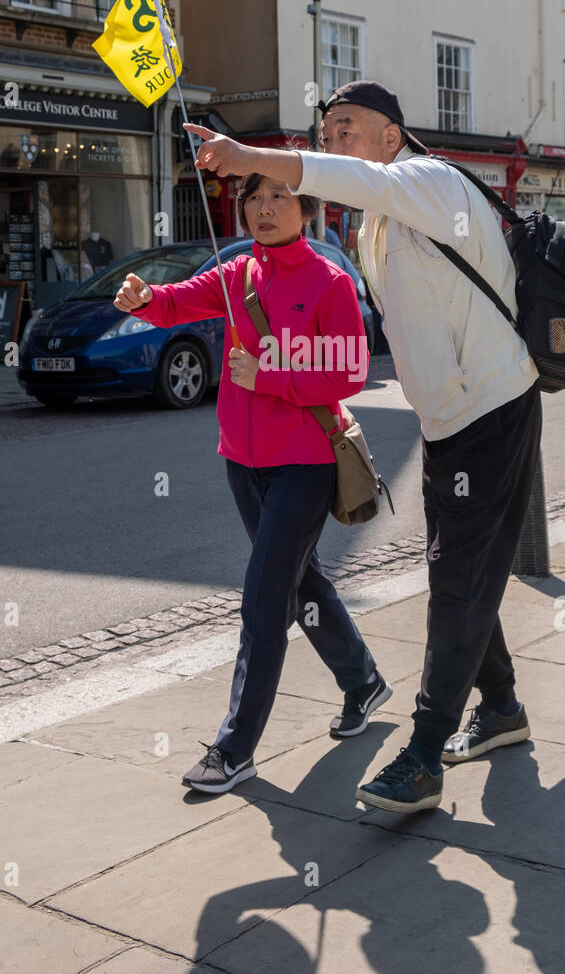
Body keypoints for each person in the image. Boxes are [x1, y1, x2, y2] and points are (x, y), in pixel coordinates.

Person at [182, 78, 542, 814]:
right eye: (327, 128)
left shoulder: (428, 181)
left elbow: (350, 179)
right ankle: (501, 707)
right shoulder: (377, 228)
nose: (333, 140)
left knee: (455, 577)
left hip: (494, 408)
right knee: (461, 566)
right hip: (447, 423)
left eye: (347, 127)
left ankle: (422, 752)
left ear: (390, 136)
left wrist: (251, 154)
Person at [113, 176, 391, 795]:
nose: (263, 209)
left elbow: (349, 370)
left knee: (265, 598)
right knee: (303, 580)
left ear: (305, 208)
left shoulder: (331, 281)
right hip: (242, 461)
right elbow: (175, 301)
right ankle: (364, 681)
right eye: (253, 200)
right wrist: (141, 297)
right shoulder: (237, 274)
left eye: (278, 198)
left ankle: (235, 748)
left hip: (305, 463)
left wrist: (271, 376)